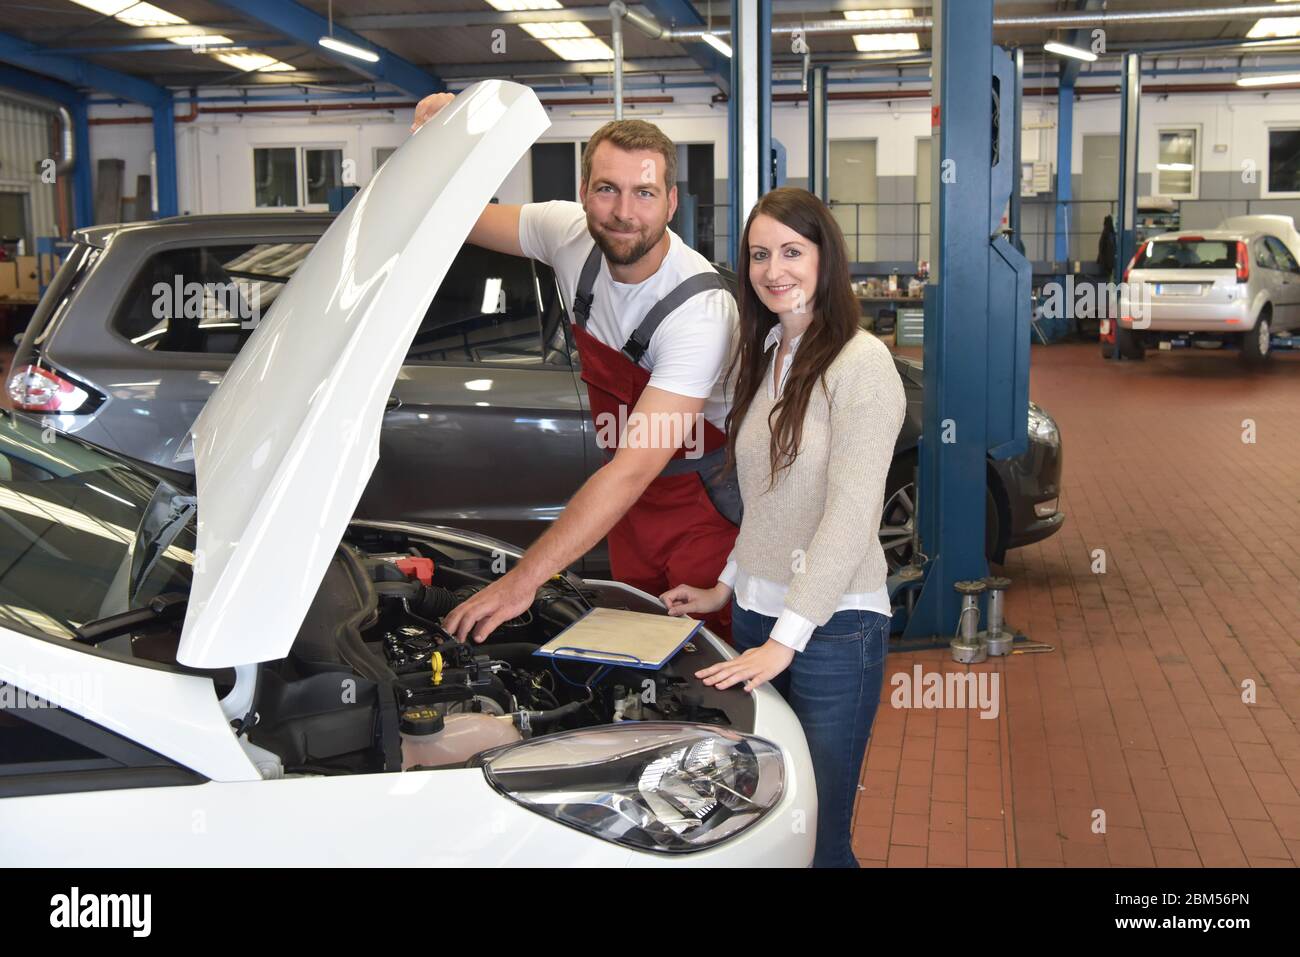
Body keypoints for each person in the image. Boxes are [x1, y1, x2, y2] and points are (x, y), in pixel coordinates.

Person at [408, 93, 740, 643]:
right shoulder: (567, 234)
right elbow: (458, 219)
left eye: (645, 193)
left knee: (708, 666)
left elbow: (632, 469)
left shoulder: (697, 313)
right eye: (607, 189)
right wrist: (443, 142)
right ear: (584, 191)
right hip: (629, 509)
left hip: (701, 508)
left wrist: (522, 583)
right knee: (640, 649)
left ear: (672, 201)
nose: (624, 212)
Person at [659, 187, 907, 868]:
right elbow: (767, 503)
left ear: (826, 257)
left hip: (833, 630)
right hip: (755, 618)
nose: (774, 269)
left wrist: (786, 640)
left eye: (792, 251)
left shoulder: (862, 364)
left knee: (819, 840)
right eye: (760, 254)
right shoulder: (767, 352)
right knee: (769, 825)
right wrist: (726, 586)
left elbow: (852, 513)